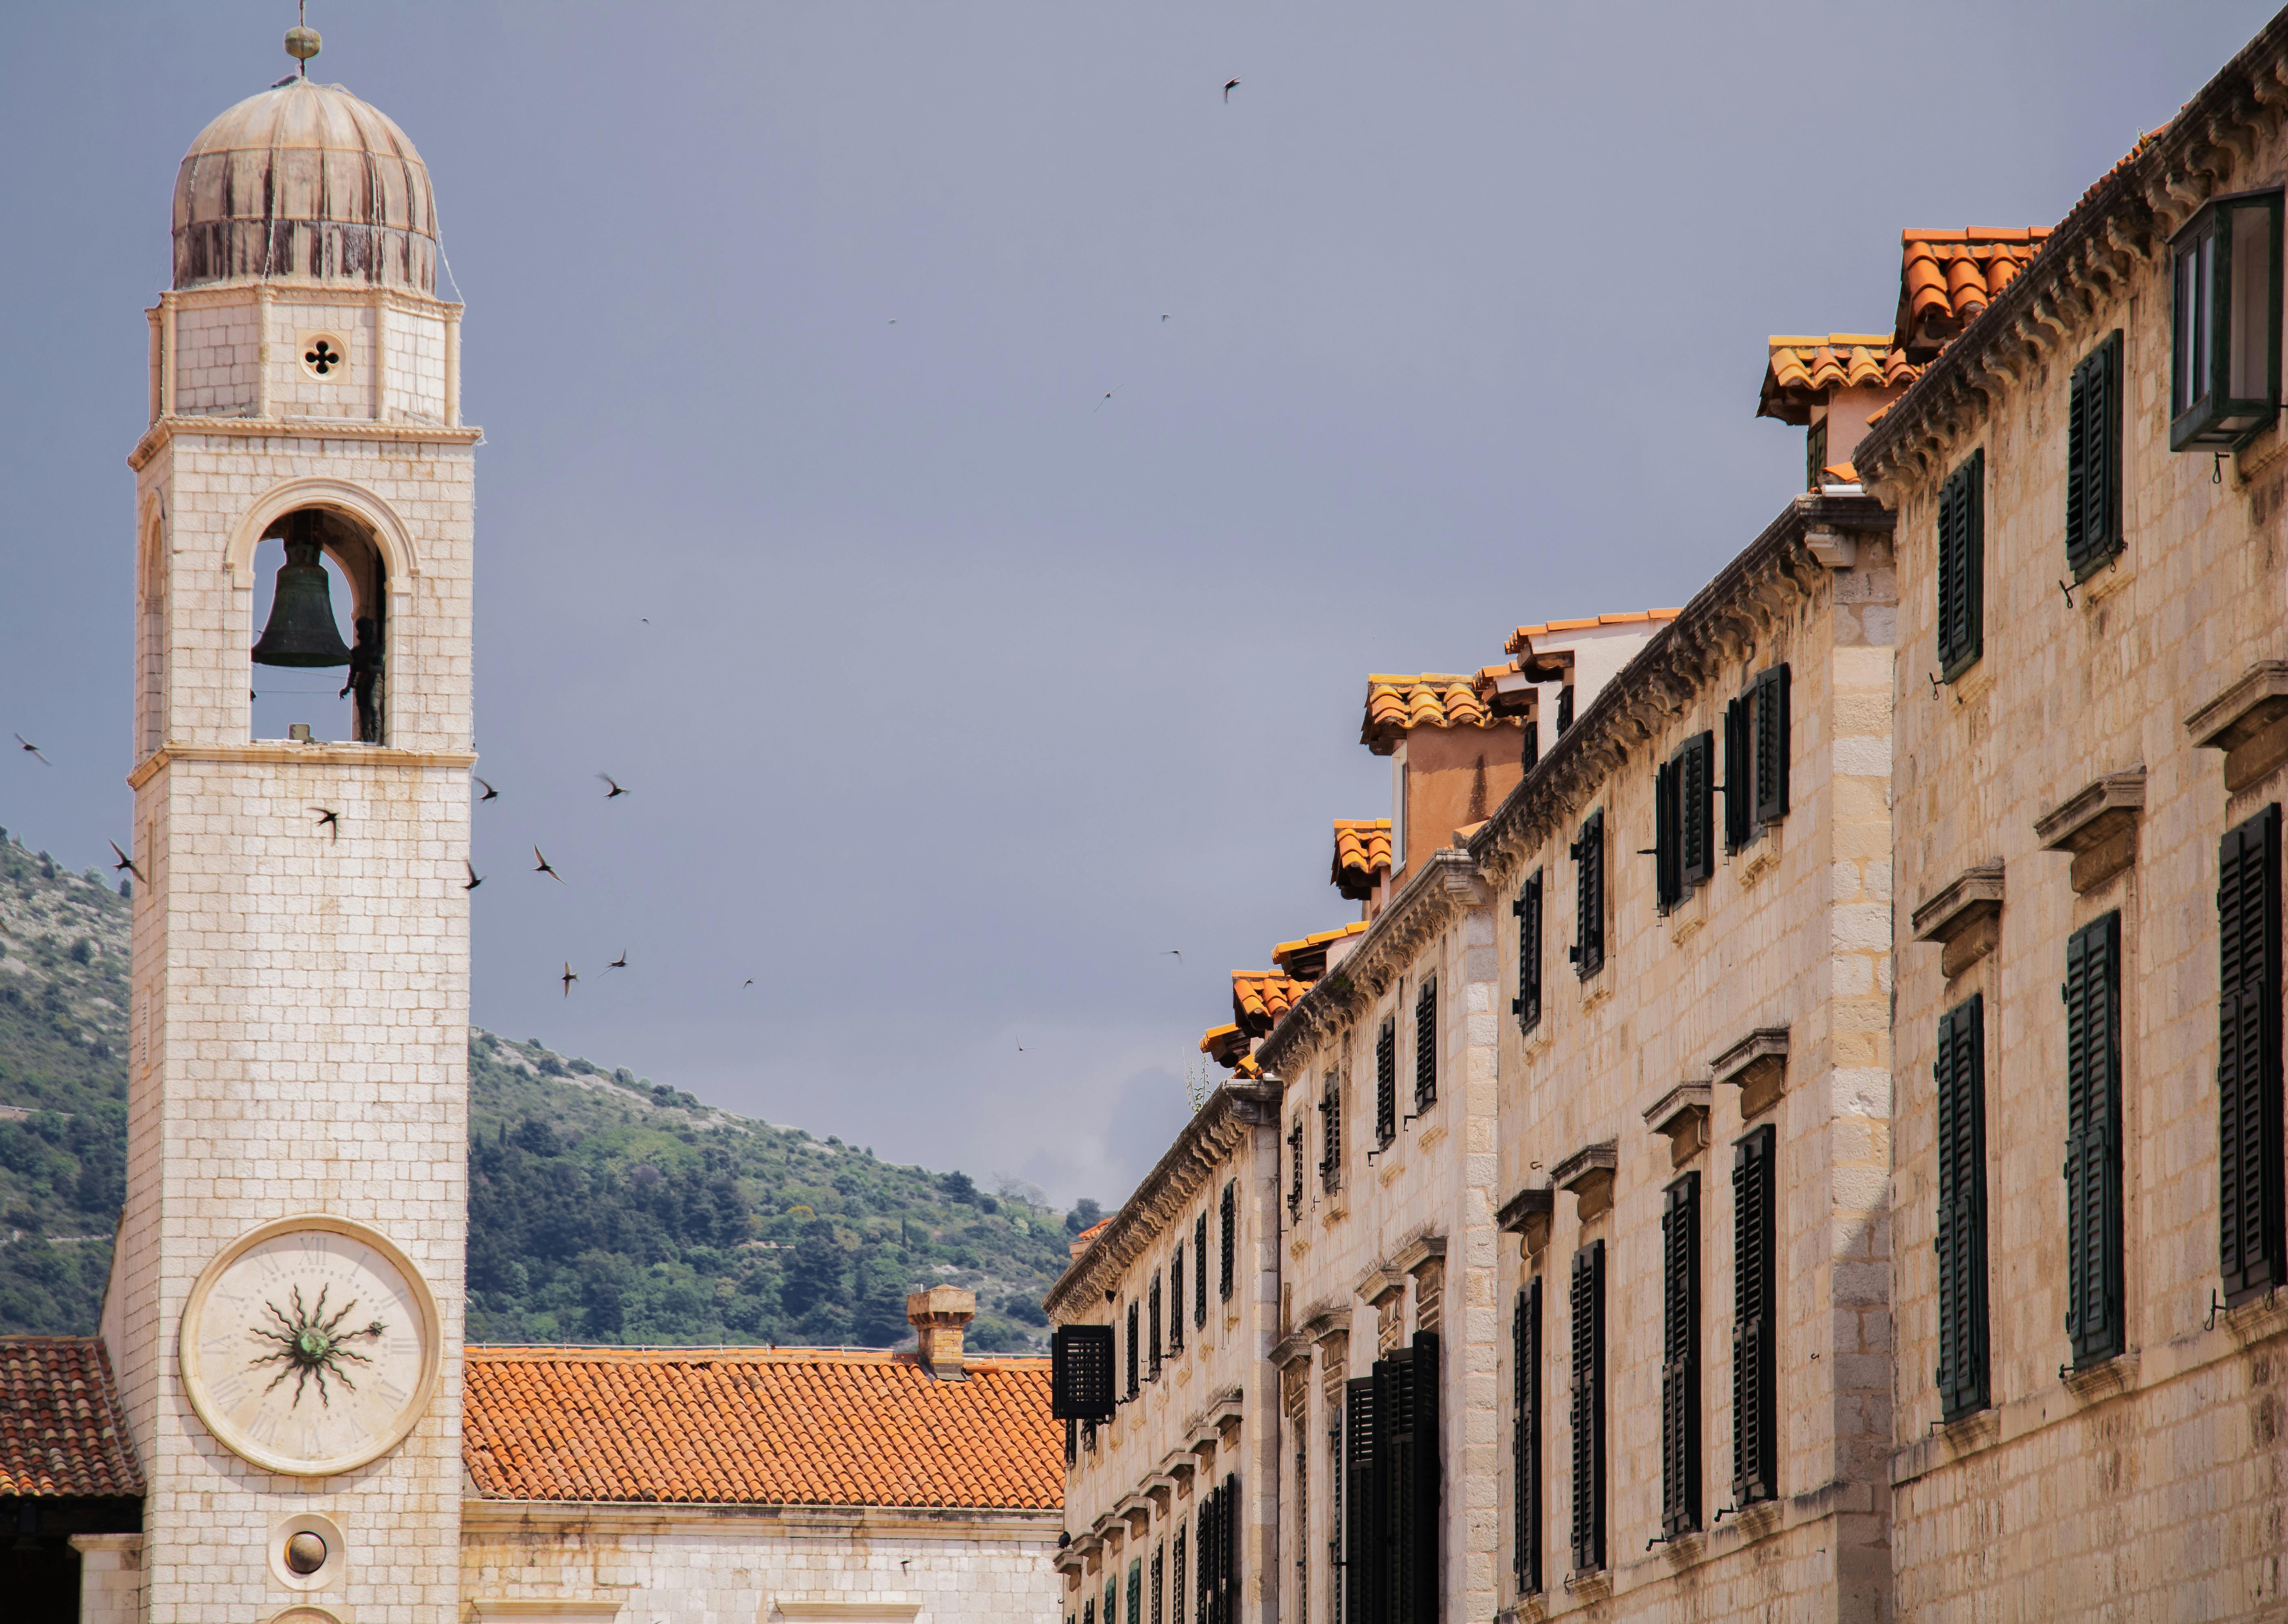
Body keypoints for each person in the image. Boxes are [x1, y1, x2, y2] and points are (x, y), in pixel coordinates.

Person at [340, 617, 383, 742]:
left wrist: (372, 668)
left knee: (374, 707)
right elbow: (352, 672)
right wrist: (347, 688)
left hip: (375, 682)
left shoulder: (378, 649)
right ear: (362, 632)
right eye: (367, 630)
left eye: (371, 630)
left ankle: (376, 740)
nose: (370, 632)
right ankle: (368, 741)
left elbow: (380, 667)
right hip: (362, 686)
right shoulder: (355, 652)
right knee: (364, 716)